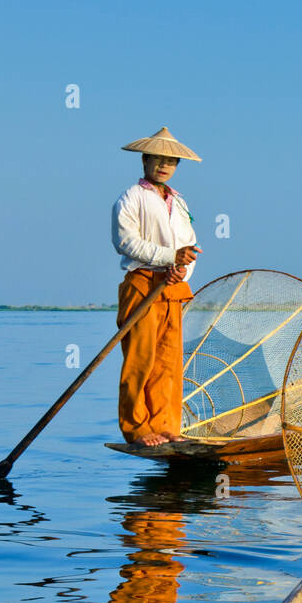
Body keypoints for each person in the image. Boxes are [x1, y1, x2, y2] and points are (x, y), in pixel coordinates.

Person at [111, 127, 203, 447]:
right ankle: (136, 427)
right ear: (145, 160)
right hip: (143, 283)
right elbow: (125, 242)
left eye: (171, 162)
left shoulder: (179, 202)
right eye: (159, 160)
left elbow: (190, 246)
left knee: (168, 360)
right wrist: (168, 258)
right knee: (141, 359)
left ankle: (165, 425)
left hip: (172, 288)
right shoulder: (131, 197)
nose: (164, 166)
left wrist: (181, 269)